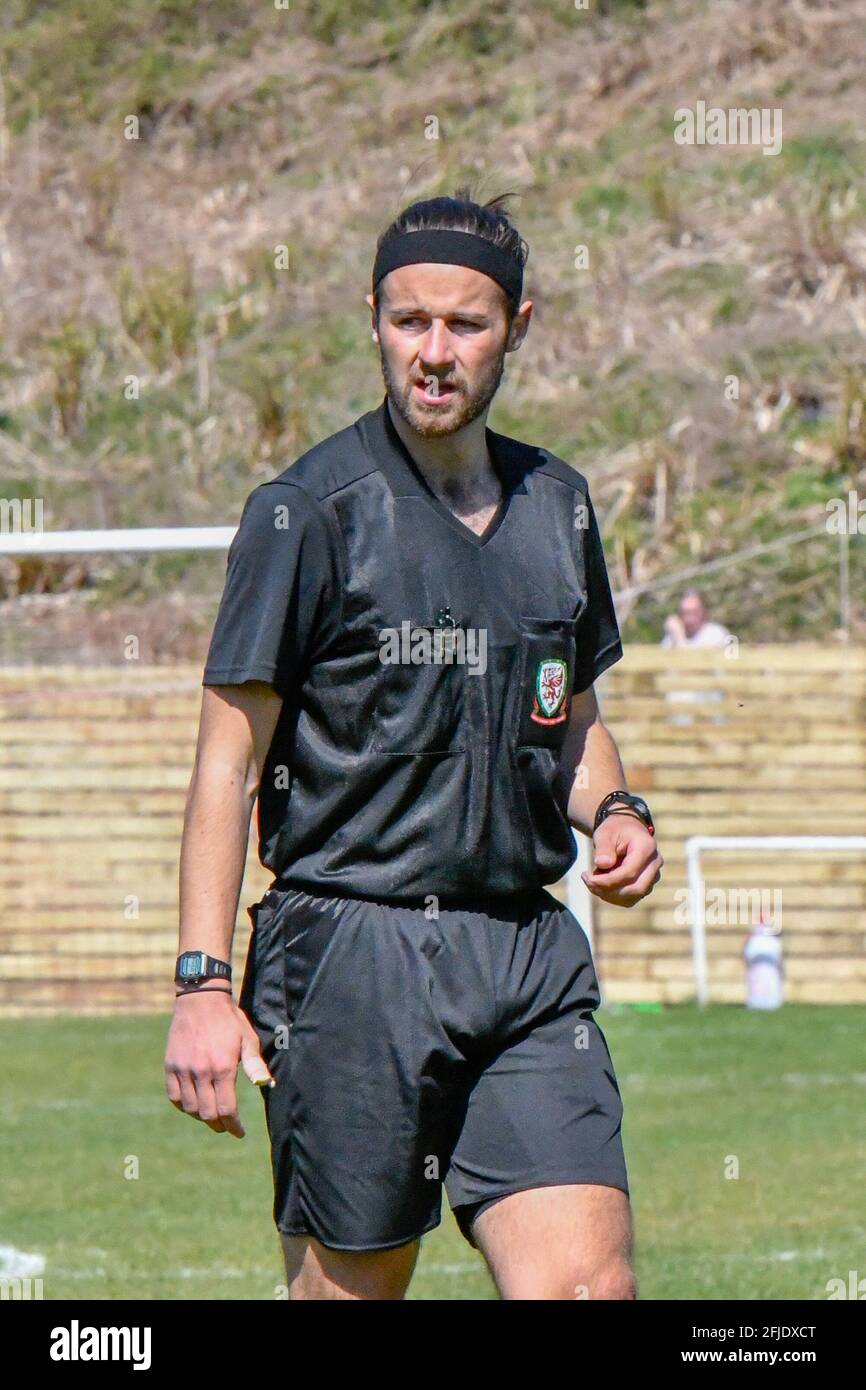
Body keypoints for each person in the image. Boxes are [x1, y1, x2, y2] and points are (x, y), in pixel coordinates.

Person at [165, 188, 663, 1301]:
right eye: (407, 321)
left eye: (466, 324)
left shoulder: (558, 506)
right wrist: (201, 982)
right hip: (350, 954)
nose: (432, 354)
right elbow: (225, 761)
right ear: (373, 320)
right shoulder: (304, 513)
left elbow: (567, 708)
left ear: (518, 327)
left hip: (522, 956)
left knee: (590, 1290)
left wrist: (615, 810)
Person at [661, 590, 733, 648]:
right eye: (685, 613)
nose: (689, 619)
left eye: (694, 613)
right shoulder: (672, 637)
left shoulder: (716, 634)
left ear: (704, 612)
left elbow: (691, 663)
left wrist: (679, 637)